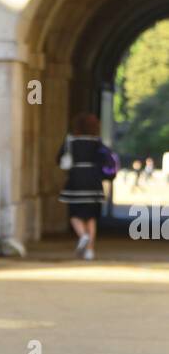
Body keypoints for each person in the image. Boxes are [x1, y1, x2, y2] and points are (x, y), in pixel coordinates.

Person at [57, 111, 116, 261]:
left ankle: (82, 235)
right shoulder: (97, 142)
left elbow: (59, 159)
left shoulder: (71, 141)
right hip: (93, 180)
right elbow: (106, 159)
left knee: (75, 215)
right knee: (91, 217)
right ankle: (90, 251)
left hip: (76, 178)